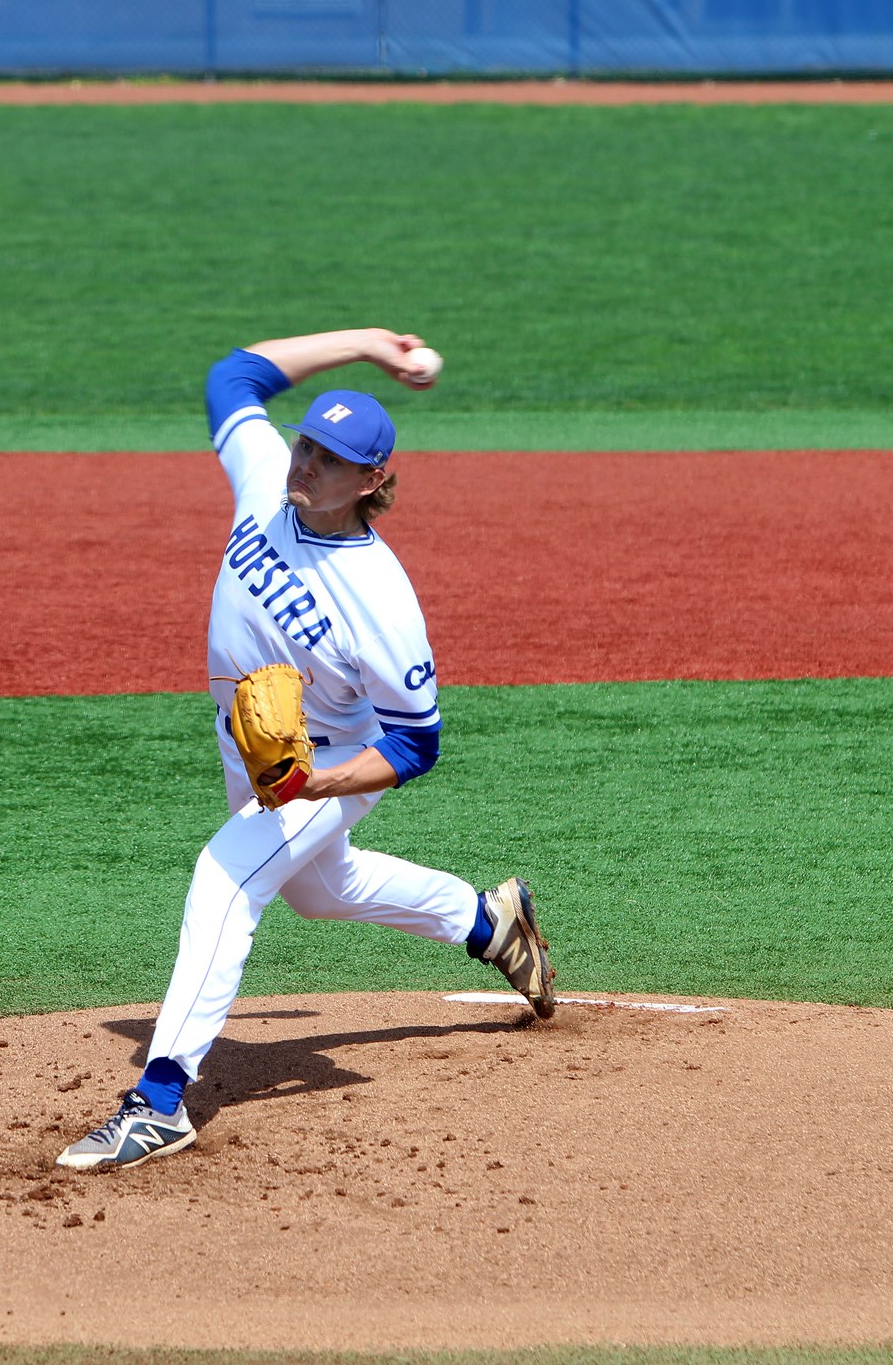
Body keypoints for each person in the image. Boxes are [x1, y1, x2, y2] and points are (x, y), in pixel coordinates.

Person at [57, 328, 556, 1172]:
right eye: (306, 445)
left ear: (372, 481)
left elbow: (416, 743)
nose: (305, 466)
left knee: (225, 882)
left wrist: (317, 785)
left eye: (331, 460)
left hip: (326, 759)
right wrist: (367, 344)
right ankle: (489, 920)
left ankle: (160, 1101)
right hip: (251, 747)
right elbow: (234, 374)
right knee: (322, 891)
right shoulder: (267, 479)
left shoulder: (382, 602)